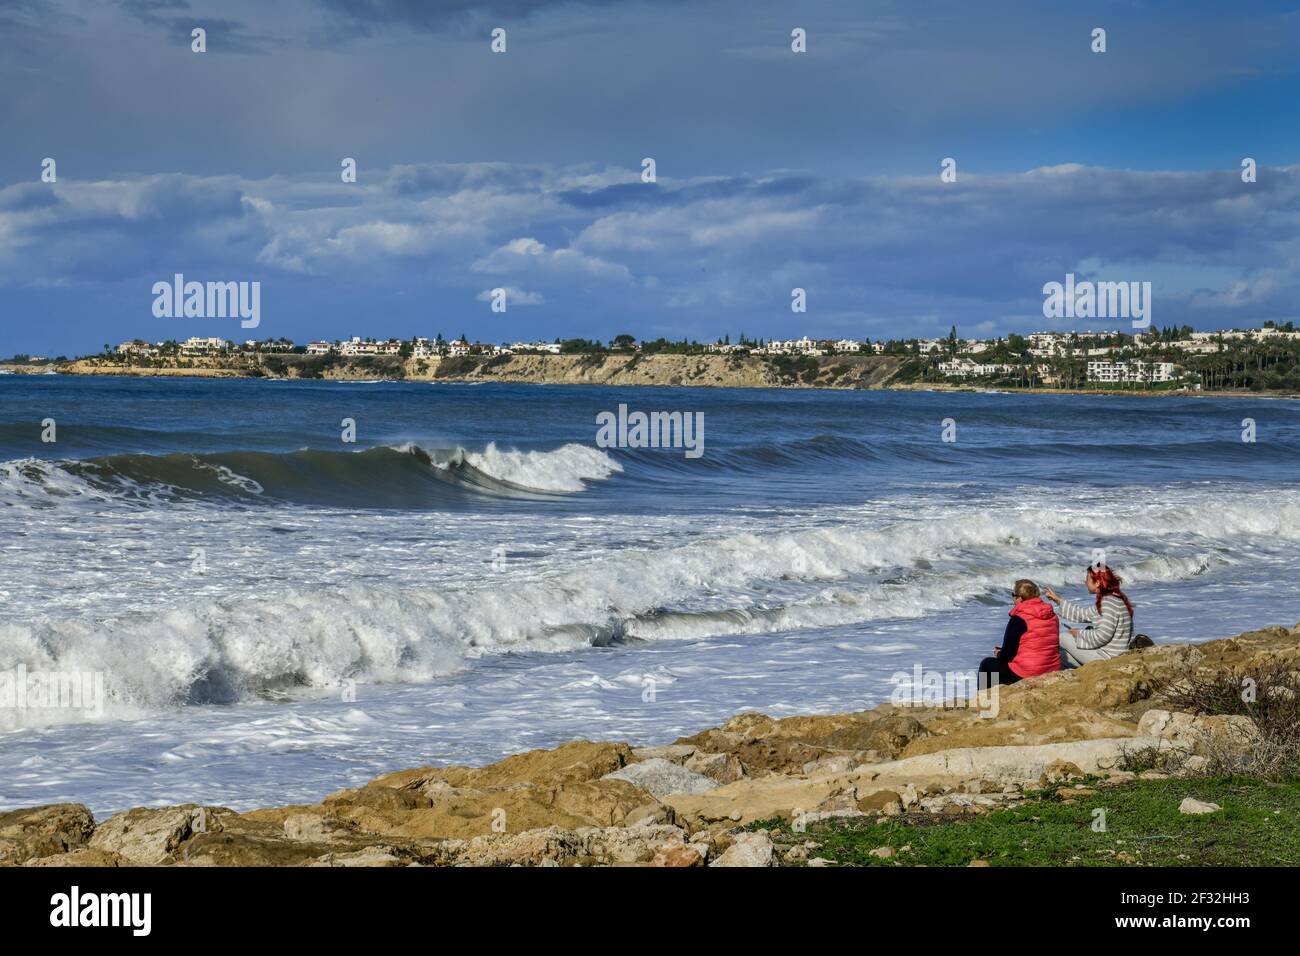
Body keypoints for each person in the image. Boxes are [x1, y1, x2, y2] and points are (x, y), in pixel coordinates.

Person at [1043, 565, 1135, 667]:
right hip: (1114, 654)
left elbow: (1102, 636)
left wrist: (1078, 634)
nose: (1085, 582)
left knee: (1062, 638)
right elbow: (1082, 614)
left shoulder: (1108, 603)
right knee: (1062, 655)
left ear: (1097, 583)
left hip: (1108, 657)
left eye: (1087, 579)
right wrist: (1058, 600)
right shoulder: (1114, 598)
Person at [978, 579, 1062, 686]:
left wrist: (999, 653)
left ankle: (985, 700)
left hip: (1028, 673)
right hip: (1052, 669)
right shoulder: (1051, 614)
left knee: (987, 664)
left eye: (1013, 595)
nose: (1013, 598)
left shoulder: (1019, 618)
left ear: (1020, 598)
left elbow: (1007, 656)